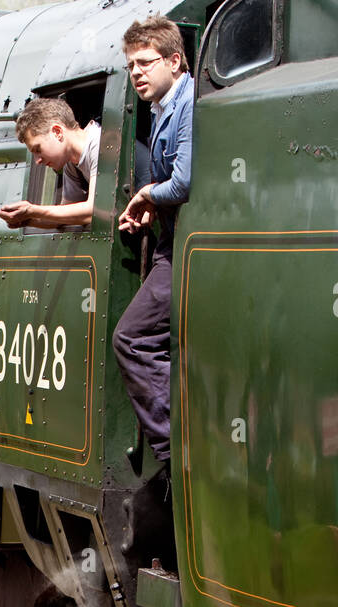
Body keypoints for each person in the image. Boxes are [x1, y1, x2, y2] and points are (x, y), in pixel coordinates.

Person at [113, 15, 193, 470]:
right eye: (131, 66)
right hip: (171, 237)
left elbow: (182, 182)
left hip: (183, 245)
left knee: (132, 338)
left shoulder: (186, 104)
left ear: (174, 60)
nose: (138, 72)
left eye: (146, 62)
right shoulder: (164, 107)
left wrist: (148, 194)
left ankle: (171, 451)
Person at [0, 97, 100, 229]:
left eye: (38, 149)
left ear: (57, 132)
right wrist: (26, 220)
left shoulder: (99, 144)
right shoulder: (71, 164)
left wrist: (32, 210)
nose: (37, 160)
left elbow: (96, 212)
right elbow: (65, 215)